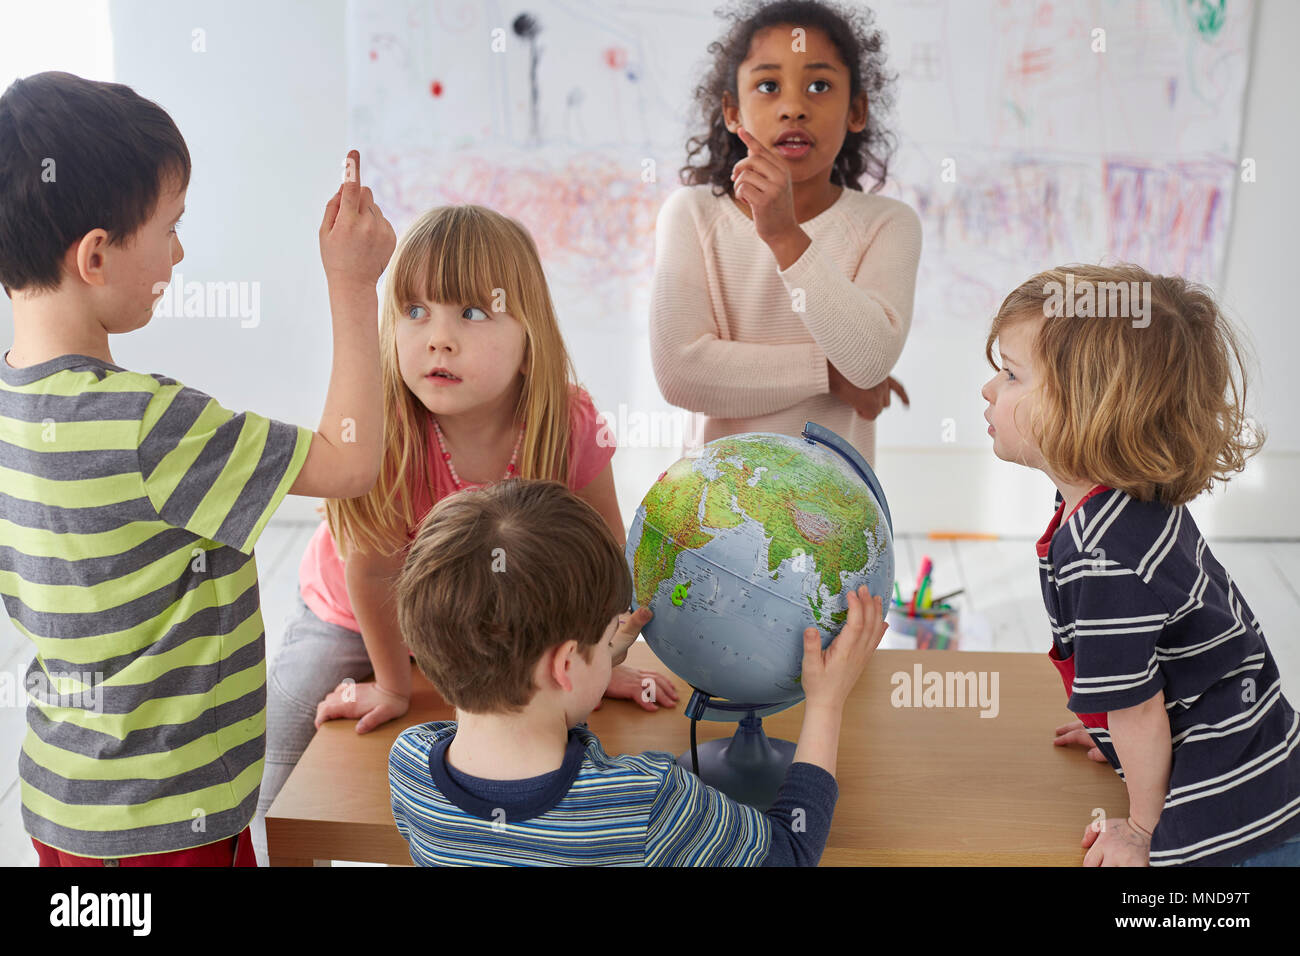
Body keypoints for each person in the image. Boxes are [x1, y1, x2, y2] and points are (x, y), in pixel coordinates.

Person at [0, 71, 394, 865]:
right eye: (171, 227)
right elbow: (351, 460)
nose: (179, 252)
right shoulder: (149, 424)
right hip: (175, 818)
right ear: (97, 255)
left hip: (60, 808)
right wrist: (353, 285)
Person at [255, 204, 678, 864]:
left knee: (561, 732)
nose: (438, 339)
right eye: (416, 312)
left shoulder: (568, 420)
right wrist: (394, 684)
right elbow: (370, 575)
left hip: (489, 617)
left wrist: (599, 651)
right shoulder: (387, 427)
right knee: (285, 721)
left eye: (471, 314)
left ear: (528, 331)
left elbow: (605, 546)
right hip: (352, 611)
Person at [388, 478, 887, 865]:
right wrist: (826, 703)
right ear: (563, 666)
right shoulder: (645, 802)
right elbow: (788, 856)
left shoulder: (408, 767)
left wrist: (597, 661)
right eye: (604, 637)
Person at [982, 262, 1300, 866]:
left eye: (1011, 374)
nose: (988, 389)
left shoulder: (1101, 556)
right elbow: (1157, 658)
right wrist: (1113, 729)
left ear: (1090, 408)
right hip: (1260, 746)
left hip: (1235, 809)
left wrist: (1144, 828)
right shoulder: (1126, 499)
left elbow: (1142, 710)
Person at [650, 0, 921, 467]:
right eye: (768, 85)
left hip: (834, 522)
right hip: (712, 517)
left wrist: (784, 235)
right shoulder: (691, 214)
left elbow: (870, 360)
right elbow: (681, 373)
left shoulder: (888, 224)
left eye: (819, 85)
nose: (793, 107)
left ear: (856, 110)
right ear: (733, 112)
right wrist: (829, 374)